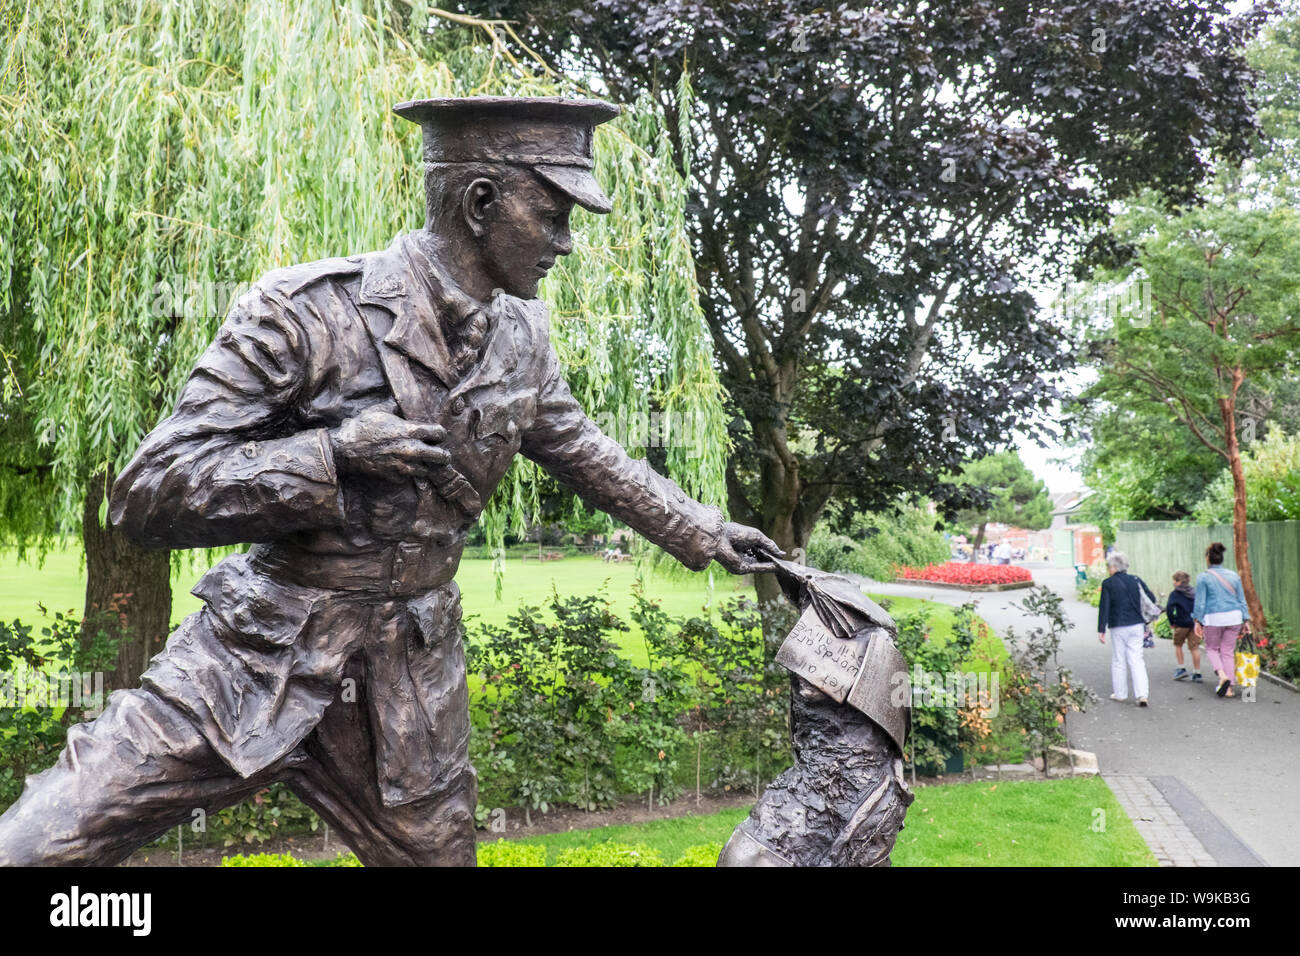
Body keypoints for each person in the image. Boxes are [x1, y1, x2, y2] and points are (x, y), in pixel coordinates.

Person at [0, 96, 782, 867]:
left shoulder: (523, 335)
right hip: (254, 658)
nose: (567, 243)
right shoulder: (303, 313)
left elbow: (585, 451)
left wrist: (707, 532)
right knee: (40, 846)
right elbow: (151, 492)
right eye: (553, 215)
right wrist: (333, 454)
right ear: (481, 203)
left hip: (406, 689)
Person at [1097, 550, 1156, 707]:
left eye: (1109, 566)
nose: (1108, 569)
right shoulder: (1135, 580)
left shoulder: (1108, 583)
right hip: (1136, 624)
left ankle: (1121, 694)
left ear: (1114, 567)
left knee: (1119, 659)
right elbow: (1152, 598)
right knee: (1137, 659)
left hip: (1118, 626)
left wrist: (1101, 629)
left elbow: (1105, 607)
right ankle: (1142, 694)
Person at [1193, 542, 1251, 699]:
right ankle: (1229, 689)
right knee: (1227, 652)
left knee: (1212, 649)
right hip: (1234, 617)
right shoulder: (1234, 576)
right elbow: (1241, 599)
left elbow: (1200, 603)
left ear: (1208, 558)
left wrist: (1197, 621)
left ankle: (1222, 675)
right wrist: (1246, 620)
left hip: (1214, 618)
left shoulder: (1203, 577)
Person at [1166, 570, 1201, 682]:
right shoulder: (1194, 592)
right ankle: (1197, 672)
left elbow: (1169, 609)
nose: (1173, 583)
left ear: (1178, 582)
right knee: (1194, 648)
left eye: (1174, 581)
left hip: (1181, 623)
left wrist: (1172, 622)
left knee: (1178, 645)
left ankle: (1181, 668)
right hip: (1194, 623)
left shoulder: (1175, 594)